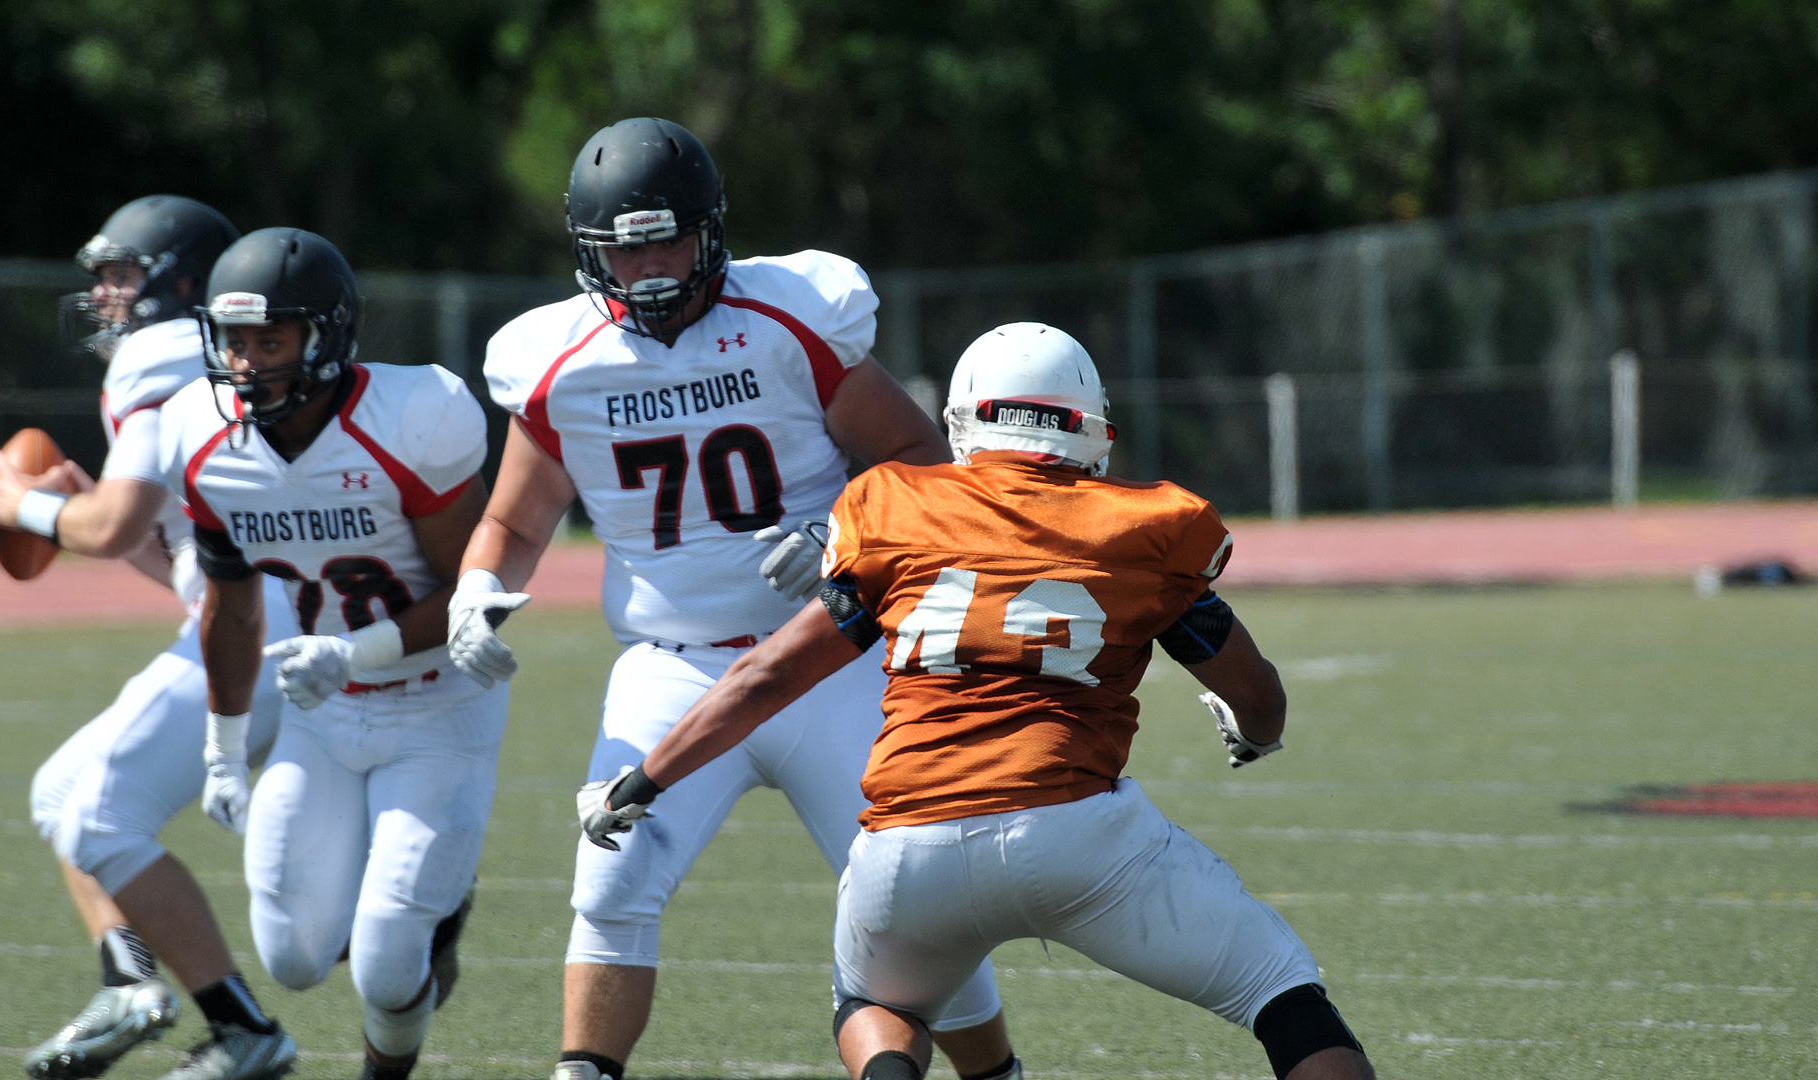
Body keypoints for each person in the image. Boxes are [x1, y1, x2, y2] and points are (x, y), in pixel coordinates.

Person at [576, 324, 1378, 1080]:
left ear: (964, 421)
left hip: (909, 846)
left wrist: (644, 779)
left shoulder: (895, 507)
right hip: (1077, 833)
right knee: (1281, 990)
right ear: (1092, 427)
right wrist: (1252, 731)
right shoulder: (1150, 527)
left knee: (877, 1006)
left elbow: (764, 677)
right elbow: (1259, 695)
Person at [447, 117, 1018, 1080]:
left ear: (710, 231)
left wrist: (836, 533)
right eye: (624, 250)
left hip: (827, 653)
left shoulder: (792, 317)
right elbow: (515, 521)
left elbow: (921, 461)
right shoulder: (559, 364)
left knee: (913, 897)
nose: (651, 267)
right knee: (612, 877)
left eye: (666, 238)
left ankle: (995, 1075)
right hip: (671, 670)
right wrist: (476, 590)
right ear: (591, 256)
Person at [157, 227, 503, 1080]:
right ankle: (424, 910)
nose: (245, 364)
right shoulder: (200, 436)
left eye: (269, 341)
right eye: (233, 341)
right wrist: (225, 748)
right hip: (325, 711)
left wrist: (359, 652)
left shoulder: (412, 418)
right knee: (295, 956)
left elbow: (477, 587)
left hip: (437, 703)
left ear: (327, 337)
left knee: (388, 962)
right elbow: (232, 611)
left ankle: (393, 1048)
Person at [0, 194, 301, 1080]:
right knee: (63, 793)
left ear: (183, 284)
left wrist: (32, 506)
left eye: (122, 274)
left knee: (101, 814)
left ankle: (243, 1032)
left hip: (265, 637)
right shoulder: (221, 362)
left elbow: (113, 528)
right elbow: (188, 561)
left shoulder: (162, 353)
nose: (108, 294)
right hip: (275, 620)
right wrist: (86, 508)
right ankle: (130, 979)